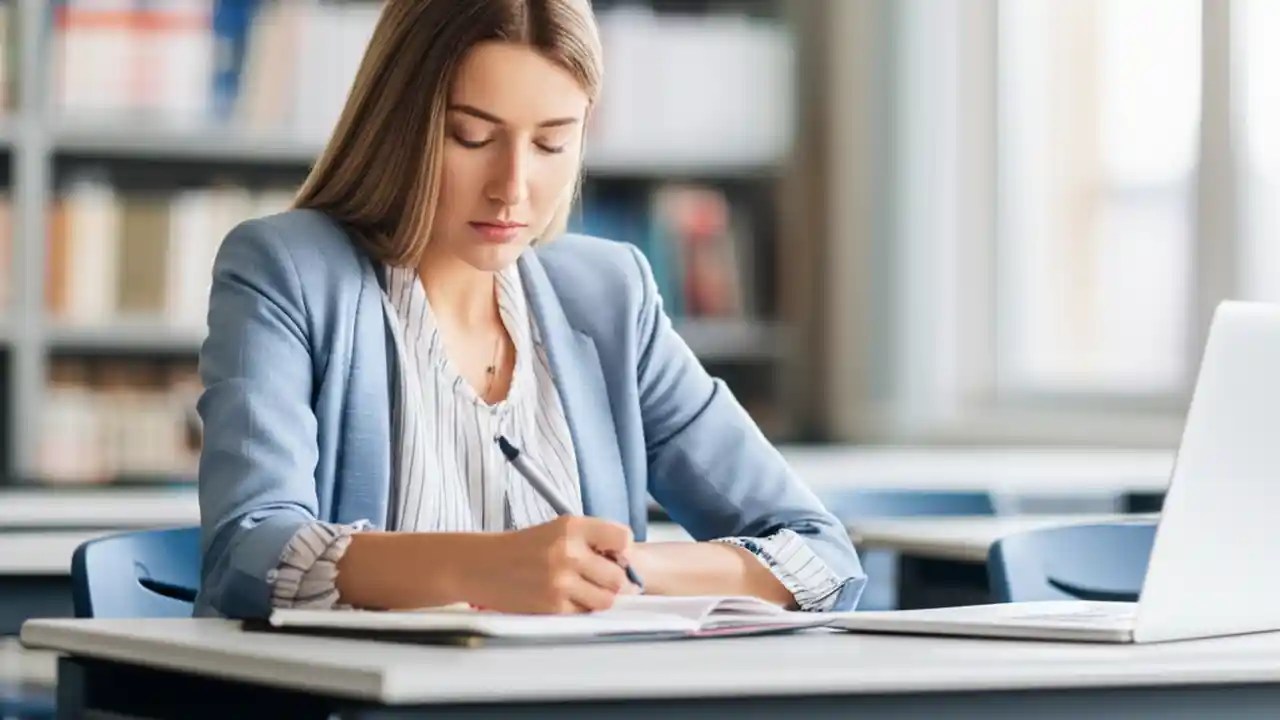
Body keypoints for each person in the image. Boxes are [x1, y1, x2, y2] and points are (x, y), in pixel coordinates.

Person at [195, 0, 865, 619]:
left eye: (551, 144)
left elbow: (817, 554)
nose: (512, 188)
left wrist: (617, 571)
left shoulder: (608, 295)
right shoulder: (285, 270)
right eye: (471, 137)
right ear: (397, 126)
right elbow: (252, 553)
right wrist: (480, 568)